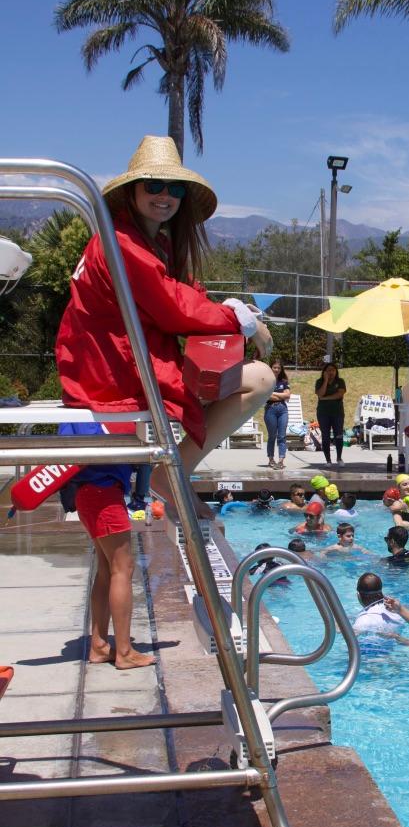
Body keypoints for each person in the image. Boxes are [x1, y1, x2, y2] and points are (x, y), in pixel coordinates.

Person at [55, 135, 274, 520]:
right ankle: (173, 475)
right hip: (116, 376)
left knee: (239, 378)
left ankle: (173, 475)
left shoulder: (141, 242)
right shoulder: (124, 245)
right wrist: (243, 322)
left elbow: (180, 293)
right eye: (154, 185)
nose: (165, 195)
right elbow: (174, 307)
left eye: (175, 188)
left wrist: (230, 311)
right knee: (260, 380)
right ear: (132, 192)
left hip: (113, 367)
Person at [58, 423, 154, 669]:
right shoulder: (94, 415)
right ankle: (124, 652)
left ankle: (99, 646)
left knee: (106, 571)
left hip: (88, 494)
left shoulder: (73, 415)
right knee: (123, 569)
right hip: (104, 495)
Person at [315, 362, 347, 466]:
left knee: (339, 435)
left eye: (333, 370)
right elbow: (320, 393)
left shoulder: (340, 381)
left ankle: (339, 458)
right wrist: (325, 381)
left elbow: (339, 394)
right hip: (323, 413)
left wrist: (325, 398)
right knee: (325, 436)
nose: (331, 372)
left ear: (336, 371)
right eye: (328, 370)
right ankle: (328, 460)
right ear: (324, 372)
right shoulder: (319, 382)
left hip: (337, 413)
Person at [264, 358, 291, 469]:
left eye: (278, 368)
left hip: (283, 410)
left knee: (282, 436)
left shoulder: (283, 381)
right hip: (270, 409)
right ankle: (271, 459)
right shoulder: (266, 381)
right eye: (274, 367)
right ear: (271, 368)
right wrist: (280, 395)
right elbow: (265, 395)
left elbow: (287, 395)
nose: (276, 369)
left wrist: (273, 393)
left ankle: (281, 460)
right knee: (272, 436)